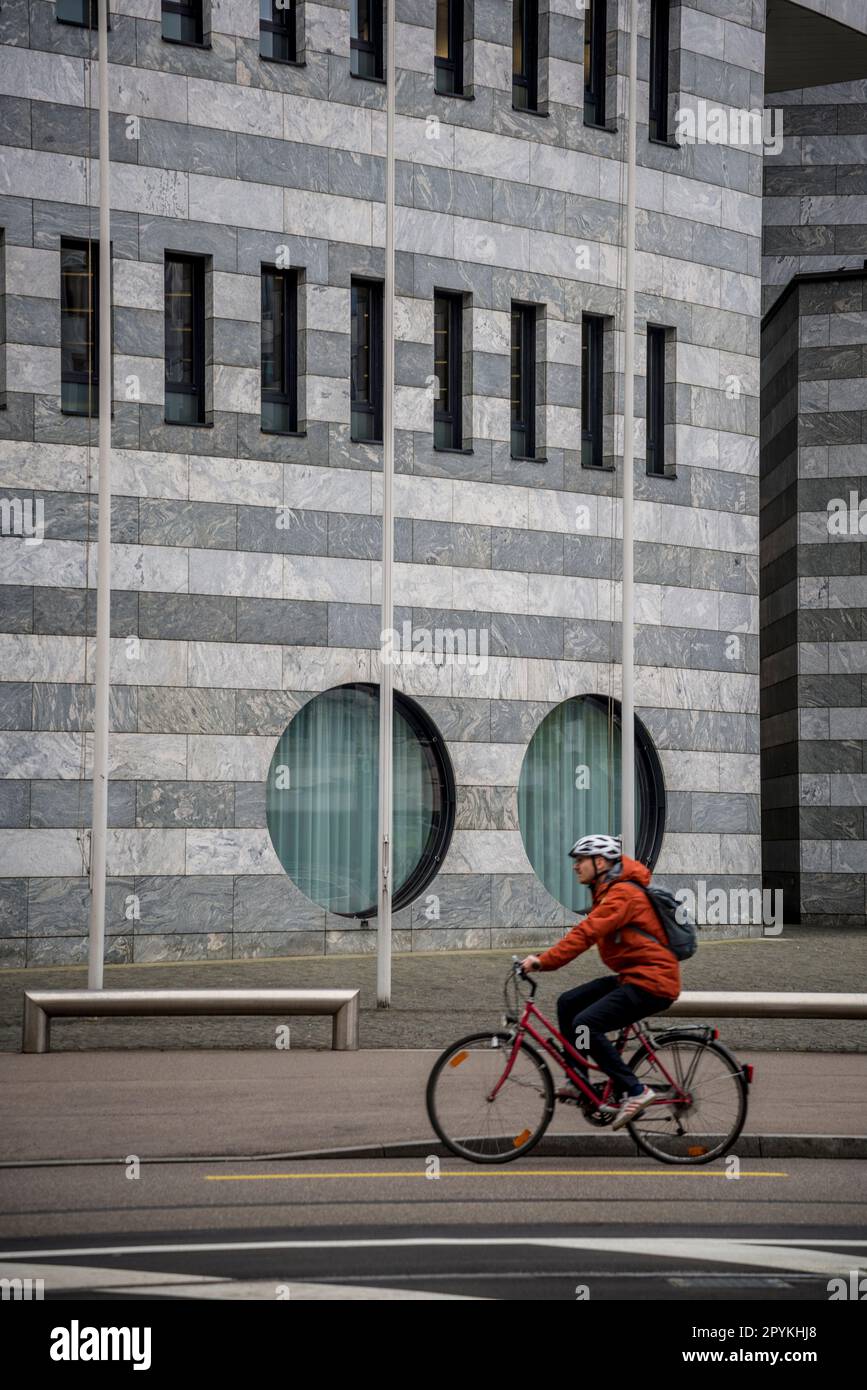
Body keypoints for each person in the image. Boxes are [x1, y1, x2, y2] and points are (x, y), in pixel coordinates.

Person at [520, 834, 680, 1131]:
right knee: (568, 1003)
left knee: (586, 1025)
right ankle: (578, 1081)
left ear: (601, 862)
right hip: (633, 976)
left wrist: (543, 960)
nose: (575, 866)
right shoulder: (607, 891)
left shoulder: (622, 895)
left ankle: (636, 1091)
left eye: (580, 860)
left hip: (651, 982)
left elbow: (586, 934)